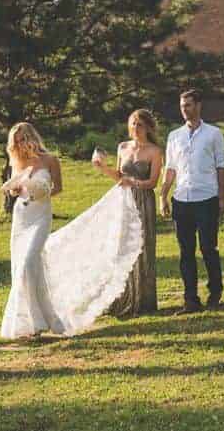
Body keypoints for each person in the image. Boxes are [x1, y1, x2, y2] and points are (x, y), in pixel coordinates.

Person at [0, 122, 142, 338]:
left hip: (40, 216)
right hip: (22, 216)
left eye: (22, 139)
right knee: (23, 267)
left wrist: (42, 191)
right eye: (16, 141)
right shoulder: (16, 161)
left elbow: (58, 187)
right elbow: (13, 191)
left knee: (29, 261)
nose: (19, 144)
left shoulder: (50, 160)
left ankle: (43, 319)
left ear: (31, 137)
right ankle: (33, 323)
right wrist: (15, 191)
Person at [159, 89, 224, 313]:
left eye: (188, 105)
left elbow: (221, 166)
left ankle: (215, 291)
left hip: (206, 197)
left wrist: (222, 197)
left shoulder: (214, 134)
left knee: (208, 248)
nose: (184, 109)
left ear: (198, 105)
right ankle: (190, 299)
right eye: (182, 106)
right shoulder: (174, 136)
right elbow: (170, 168)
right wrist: (163, 195)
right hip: (182, 199)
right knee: (185, 251)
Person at [92, 109, 163, 317]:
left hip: (143, 200)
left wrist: (133, 182)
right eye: (132, 123)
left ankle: (143, 299)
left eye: (139, 124)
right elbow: (119, 175)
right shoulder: (122, 147)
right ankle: (121, 298)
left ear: (148, 127)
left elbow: (152, 182)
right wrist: (102, 168)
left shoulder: (154, 151)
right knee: (121, 246)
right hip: (123, 200)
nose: (135, 128)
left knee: (141, 246)